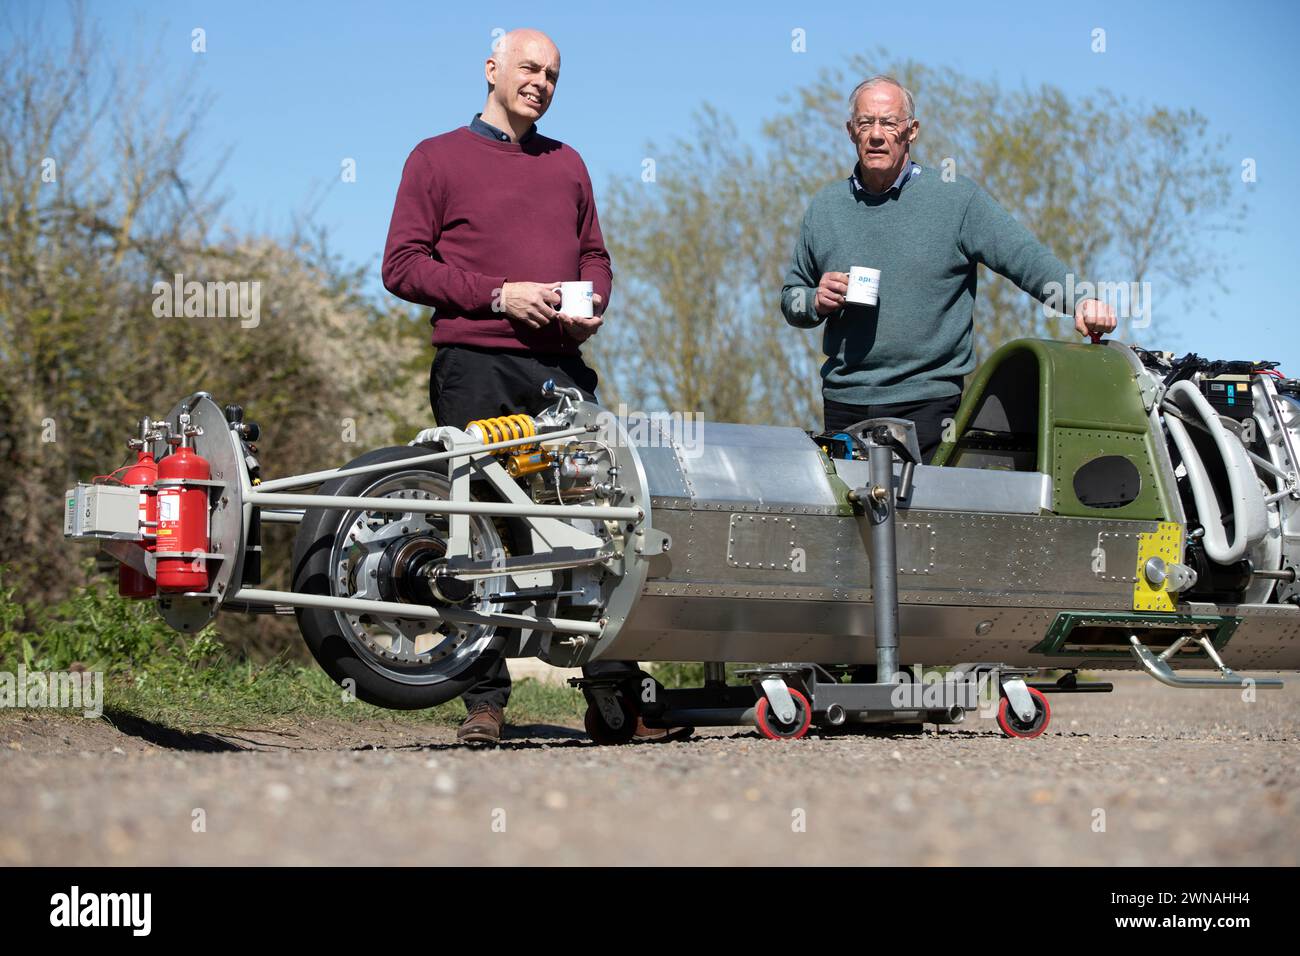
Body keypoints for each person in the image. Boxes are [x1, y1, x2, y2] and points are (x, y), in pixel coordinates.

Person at [382, 28, 686, 746]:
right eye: (528, 68)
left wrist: (594, 305)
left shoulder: (568, 163)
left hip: (560, 370)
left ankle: (614, 694)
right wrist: (498, 296)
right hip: (475, 366)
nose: (541, 83)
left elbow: (594, 254)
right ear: (492, 70)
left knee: (600, 525)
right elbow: (401, 266)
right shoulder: (435, 158)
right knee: (484, 531)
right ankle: (484, 702)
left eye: (552, 74)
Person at [780, 75, 1117, 462]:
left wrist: (1081, 301)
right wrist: (815, 301)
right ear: (850, 131)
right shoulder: (826, 208)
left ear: (912, 131)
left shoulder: (955, 199)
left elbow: (1024, 256)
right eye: (865, 123)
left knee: (920, 521)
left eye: (889, 123)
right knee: (856, 521)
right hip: (844, 403)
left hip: (929, 405)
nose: (876, 135)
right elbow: (792, 296)